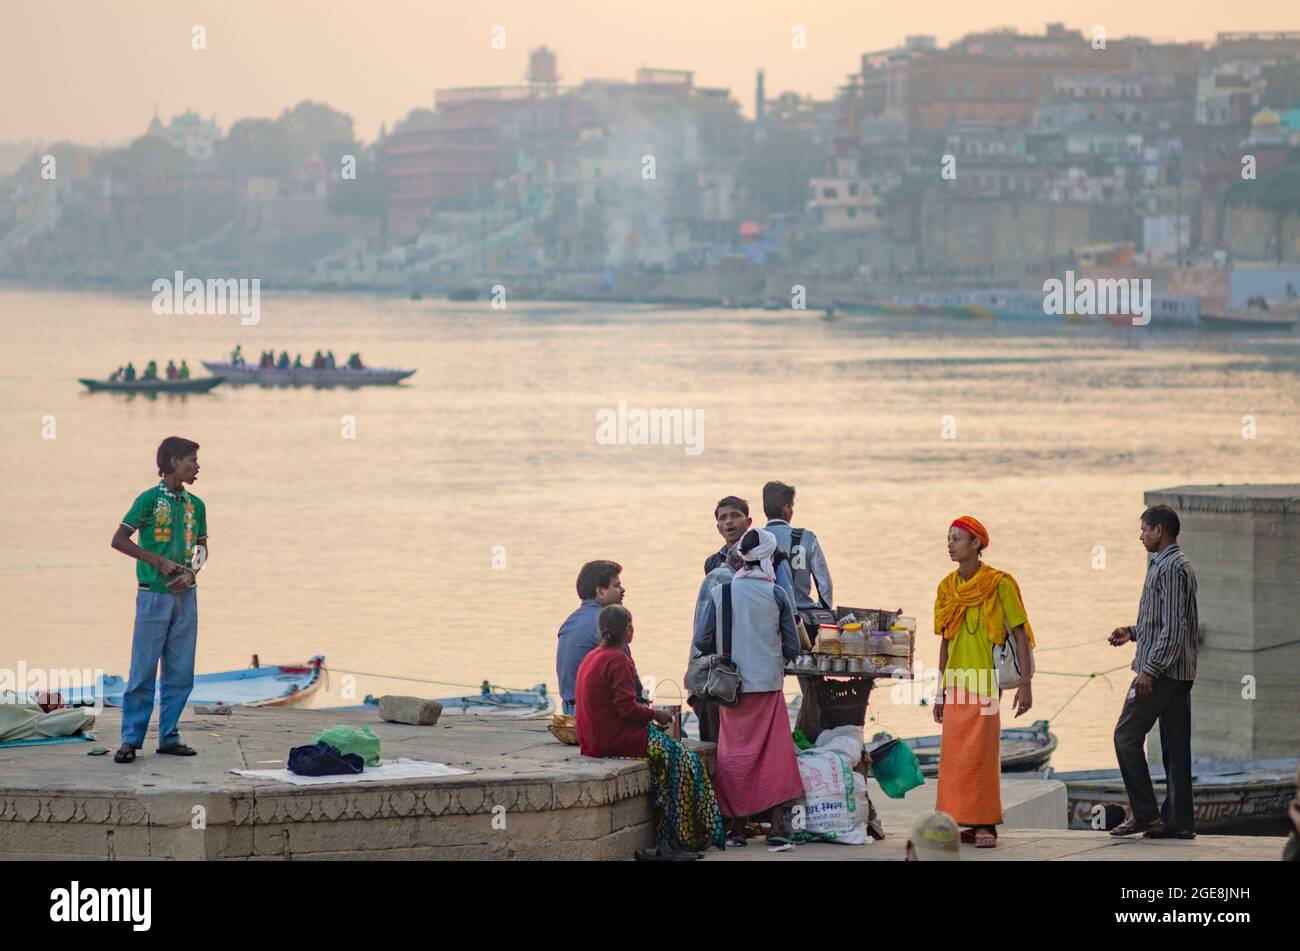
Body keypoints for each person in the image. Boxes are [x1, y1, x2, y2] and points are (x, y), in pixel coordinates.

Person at [576, 605, 725, 857]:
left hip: (594, 739)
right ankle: (677, 840)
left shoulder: (593, 656)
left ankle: (671, 837)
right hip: (614, 740)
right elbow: (626, 709)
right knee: (684, 761)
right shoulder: (617, 659)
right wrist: (655, 714)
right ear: (629, 630)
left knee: (677, 758)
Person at [693, 528, 802, 845]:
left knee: (734, 755)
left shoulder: (721, 593)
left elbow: (702, 640)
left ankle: (738, 828)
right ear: (767, 557)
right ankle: (778, 827)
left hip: (731, 689)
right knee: (775, 754)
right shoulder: (777, 595)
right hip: (767, 686)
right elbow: (792, 648)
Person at [933, 515, 1035, 849]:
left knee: (982, 757)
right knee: (954, 761)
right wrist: (939, 692)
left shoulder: (999, 583)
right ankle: (959, 821)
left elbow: (1019, 633)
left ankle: (986, 824)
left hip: (986, 683)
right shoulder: (947, 588)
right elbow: (945, 641)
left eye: (957, 539)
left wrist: (1025, 683)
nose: (950, 544)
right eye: (948, 538)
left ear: (976, 544)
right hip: (957, 683)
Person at [109, 437, 208, 764]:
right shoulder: (149, 500)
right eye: (191, 459)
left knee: (180, 671)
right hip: (153, 595)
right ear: (173, 462)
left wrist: (192, 573)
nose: (196, 465)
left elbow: (202, 549)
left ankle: (169, 736)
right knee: (143, 670)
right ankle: (130, 740)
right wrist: (158, 562)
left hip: (186, 597)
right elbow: (119, 539)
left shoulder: (197, 504)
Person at [1108, 504, 1199, 839]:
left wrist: (1148, 672)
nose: (1141, 535)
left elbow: (1174, 628)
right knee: (1176, 749)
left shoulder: (1172, 568)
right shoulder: (1167, 565)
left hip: (1163, 672)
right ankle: (1179, 823)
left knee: (1125, 736)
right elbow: (1163, 622)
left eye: (1145, 529)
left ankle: (1145, 814)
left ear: (1160, 530)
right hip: (1176, 671)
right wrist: (1132, 631)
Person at [556, 560, 645, 716]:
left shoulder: (570, 621)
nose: (622, 590)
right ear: (600, 592)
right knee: (676, 734)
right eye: (616, 586)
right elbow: (630, 678)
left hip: (569, 710)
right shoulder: (607, 622)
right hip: (595, 713)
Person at [687, 543, 744, 742]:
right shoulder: (726, 581)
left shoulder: (717, 576)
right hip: (713, 682)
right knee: (719, 751)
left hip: (704, 680)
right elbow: (705, 640)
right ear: (741, 561)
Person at [762, 481, 834, 623]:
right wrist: (824, 611)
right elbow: (825, 584)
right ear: (787, 508)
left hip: (766, 615)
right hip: (802, 616)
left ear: (765, 508)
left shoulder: (754, 538)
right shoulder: (806, 538)